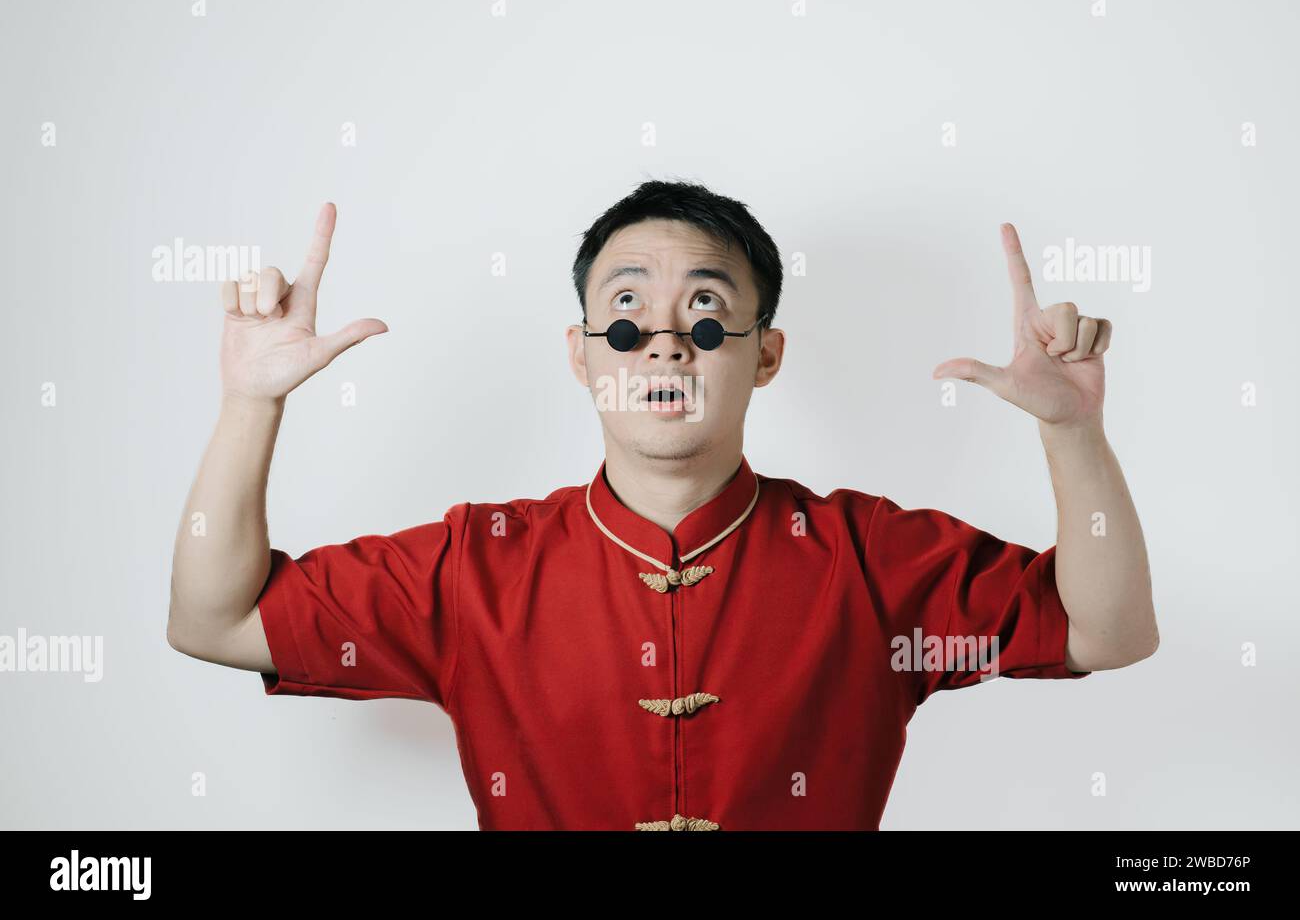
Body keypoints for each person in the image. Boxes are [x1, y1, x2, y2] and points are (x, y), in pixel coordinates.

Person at [167, 180, 1157, 830]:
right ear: (581, 351)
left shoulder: (868, 556)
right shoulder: (475, 566)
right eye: (629, 316)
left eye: (709, 315)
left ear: (765, 354)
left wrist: (1073, 431)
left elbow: (1104, 630)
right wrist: (249, 401)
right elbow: (213, 617)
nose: (667, 345)